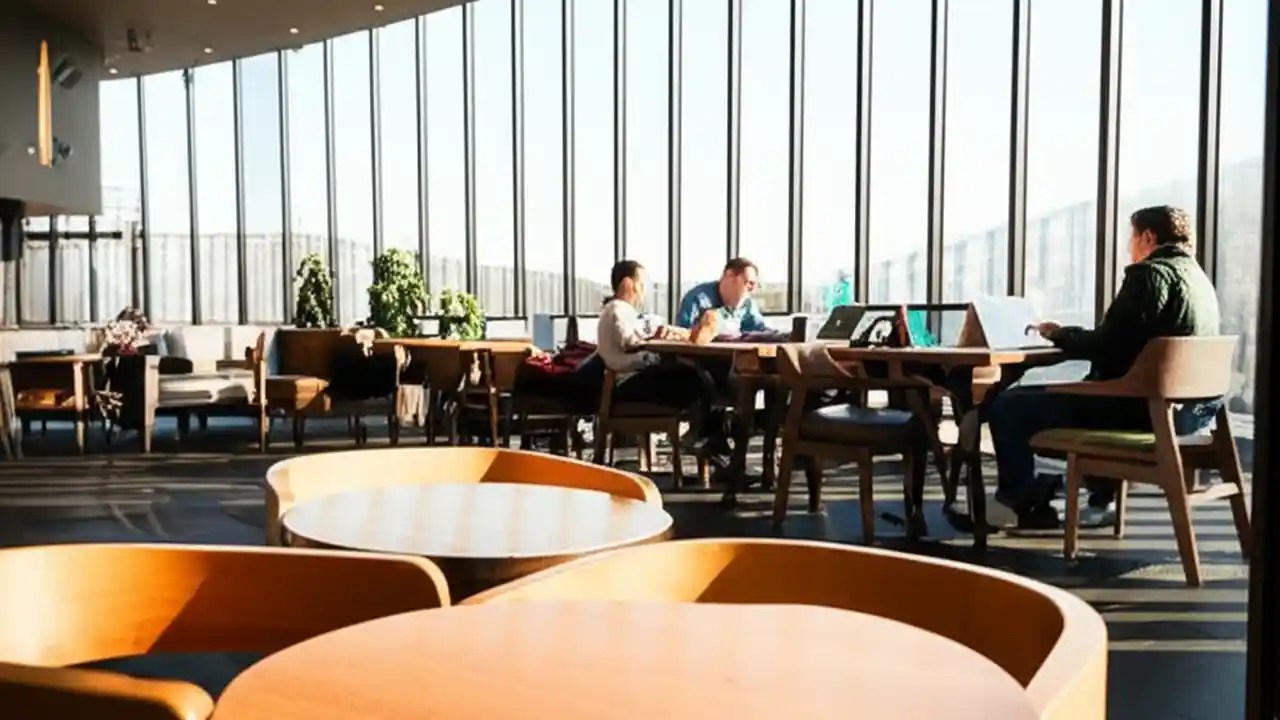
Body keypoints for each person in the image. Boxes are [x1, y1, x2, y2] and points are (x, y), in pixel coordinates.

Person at [986, 205, 1222, 530]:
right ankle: (1100, 497)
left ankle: (1023, 503)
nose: (1129, 246)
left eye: (1132, 237)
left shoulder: (1148, 275)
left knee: (1008, 406)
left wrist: (1058, 334)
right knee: (1083, 392)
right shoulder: (1201, 282)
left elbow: (1108, 345)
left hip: (1143, 415)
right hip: (1190, 415)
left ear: (1148, 237)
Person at [596, 259, 719, 445]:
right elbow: (630, 342)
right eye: (641, 284)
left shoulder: (617, 310)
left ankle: (702, 433)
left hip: (628, 380)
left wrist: (656, 335)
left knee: (697, 378)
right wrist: (655, 337)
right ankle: (702, 436)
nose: (644, 290)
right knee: (698, 379)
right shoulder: (618, 309)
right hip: (629, 381)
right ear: (628, 284)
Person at [675, 257, 769, 336]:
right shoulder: (698, 299)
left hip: (733, 356)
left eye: (755, 285)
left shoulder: (747, 304)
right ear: (729, 275)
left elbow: (760, 332)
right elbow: (683, 334)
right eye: (749, 283)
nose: (751, 290)